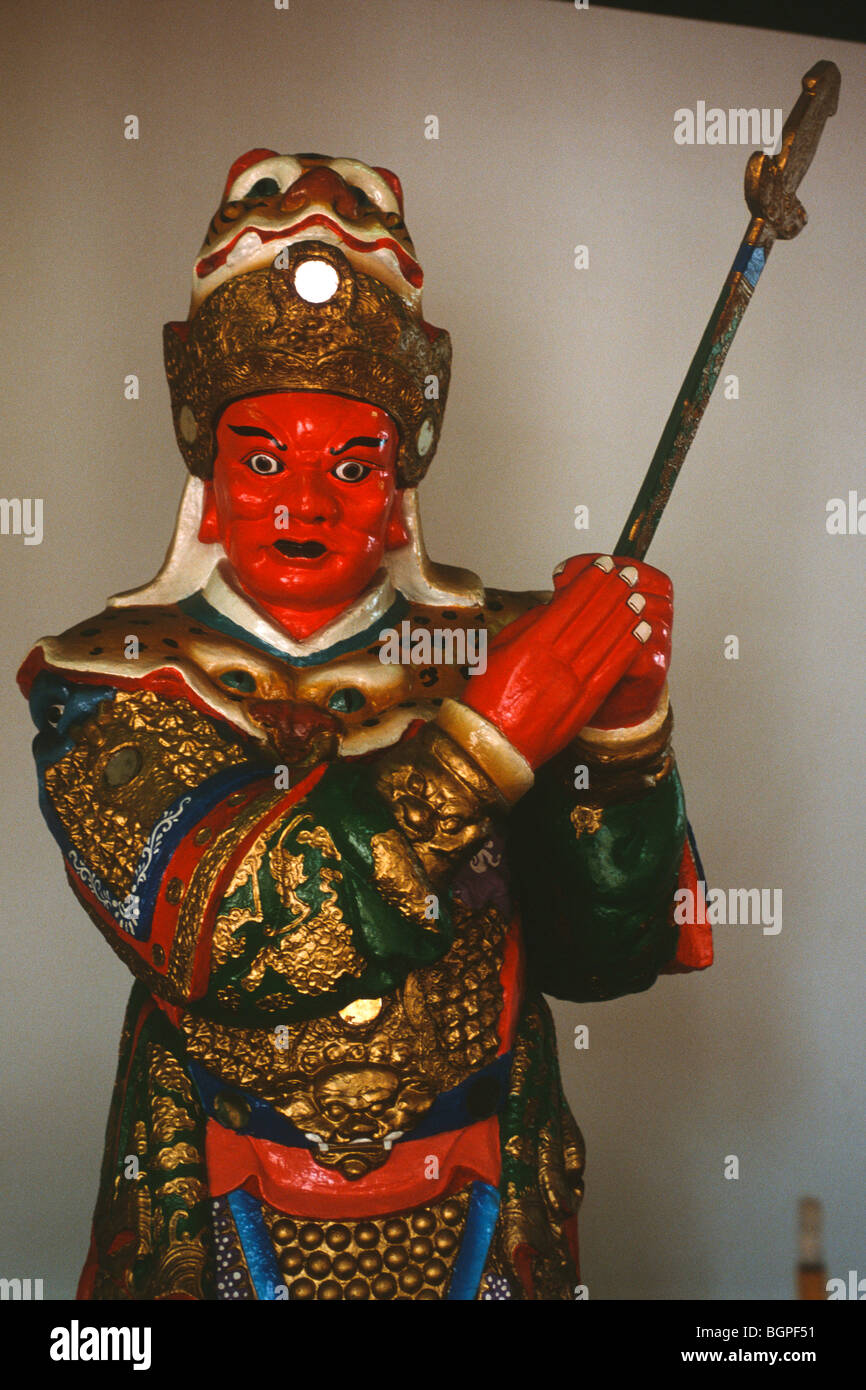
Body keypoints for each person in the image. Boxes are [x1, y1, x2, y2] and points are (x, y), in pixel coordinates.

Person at [18, 151, 711, 1300]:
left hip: (484, 1182)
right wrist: (491, 736)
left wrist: (622, 737)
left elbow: (603, 957)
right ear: (208, 466)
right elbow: (238, 925)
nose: (303, 503)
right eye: (262, 460)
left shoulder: (491, 645)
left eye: (351, 464)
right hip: (218, 1189)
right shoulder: (108, 677)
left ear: (399, 482)